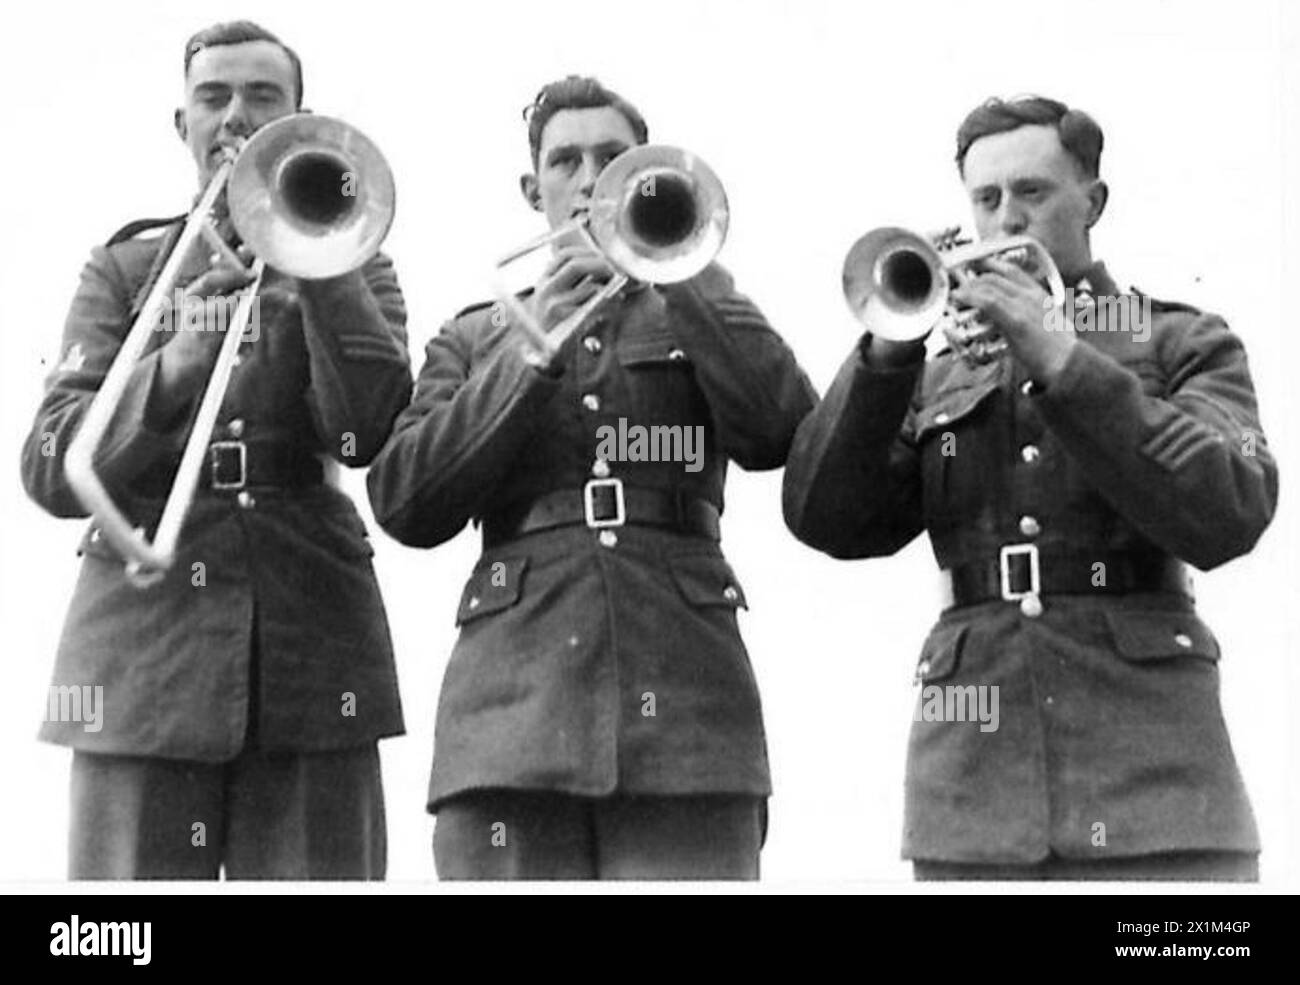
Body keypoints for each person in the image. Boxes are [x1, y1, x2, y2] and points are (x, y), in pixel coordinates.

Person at [782, 95, 1277, 880]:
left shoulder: (1184, 339)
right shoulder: (941, 367)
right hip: (976, 787)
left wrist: (1064, 362)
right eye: (987, 199)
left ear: (1094, 201)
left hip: (1158, 785)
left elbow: (1232, 505)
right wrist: (886, 355)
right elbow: (825, 519)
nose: (1006, 219)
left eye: (1033, 193)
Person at [367, 75, 816, 879]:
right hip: (510, 722)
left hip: (688, 715)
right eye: (566, 160)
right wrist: (529, 354)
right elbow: (405, 498)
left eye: (614, 158)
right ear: (532, 188)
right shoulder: (476, 334)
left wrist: (686, 269)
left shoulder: (698, 302)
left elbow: (782, 428)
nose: (589, 177)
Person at [21, 20, 411, 879]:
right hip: (141, 661)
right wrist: (177, 362)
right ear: (183, 125)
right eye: (214, 97)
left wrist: (320, 264)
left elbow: (369, 428)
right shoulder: (124, 269)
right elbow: (52, 464)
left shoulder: (358, 261)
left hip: (311, 650)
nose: (235, 115)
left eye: (262, 98)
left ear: (297, 121)